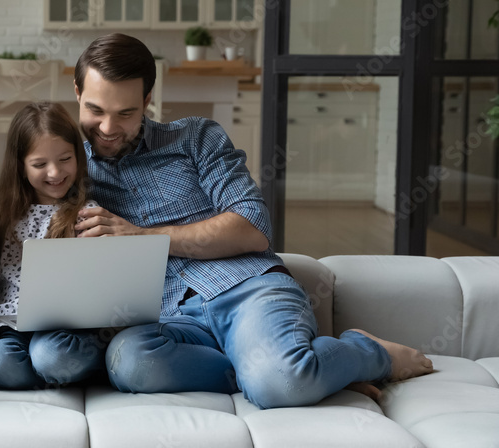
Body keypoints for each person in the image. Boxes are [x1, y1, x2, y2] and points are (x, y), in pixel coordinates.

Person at [70, 33, 433, 408]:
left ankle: (364, 353)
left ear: (147, 101)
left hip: (247, 290)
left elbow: (253, 227)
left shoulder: (196, 137)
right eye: (96, 110)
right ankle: (295, 370)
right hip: (168, 320)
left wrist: (143, 237)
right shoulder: (68, 171)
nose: (109, 128)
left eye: (125, 113)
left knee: (279, 384)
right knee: (128, 364)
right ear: (78, 92)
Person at [0, 102, 106, 390]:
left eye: (65, 159)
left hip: (64, 330)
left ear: (78, 158)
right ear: (20, 166)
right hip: (12, 328)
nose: (55, 172)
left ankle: (61, 366)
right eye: (39, 164)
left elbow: (99, 285)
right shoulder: (2, 215)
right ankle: (54, 373)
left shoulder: (87, 215)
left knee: (51, 354)